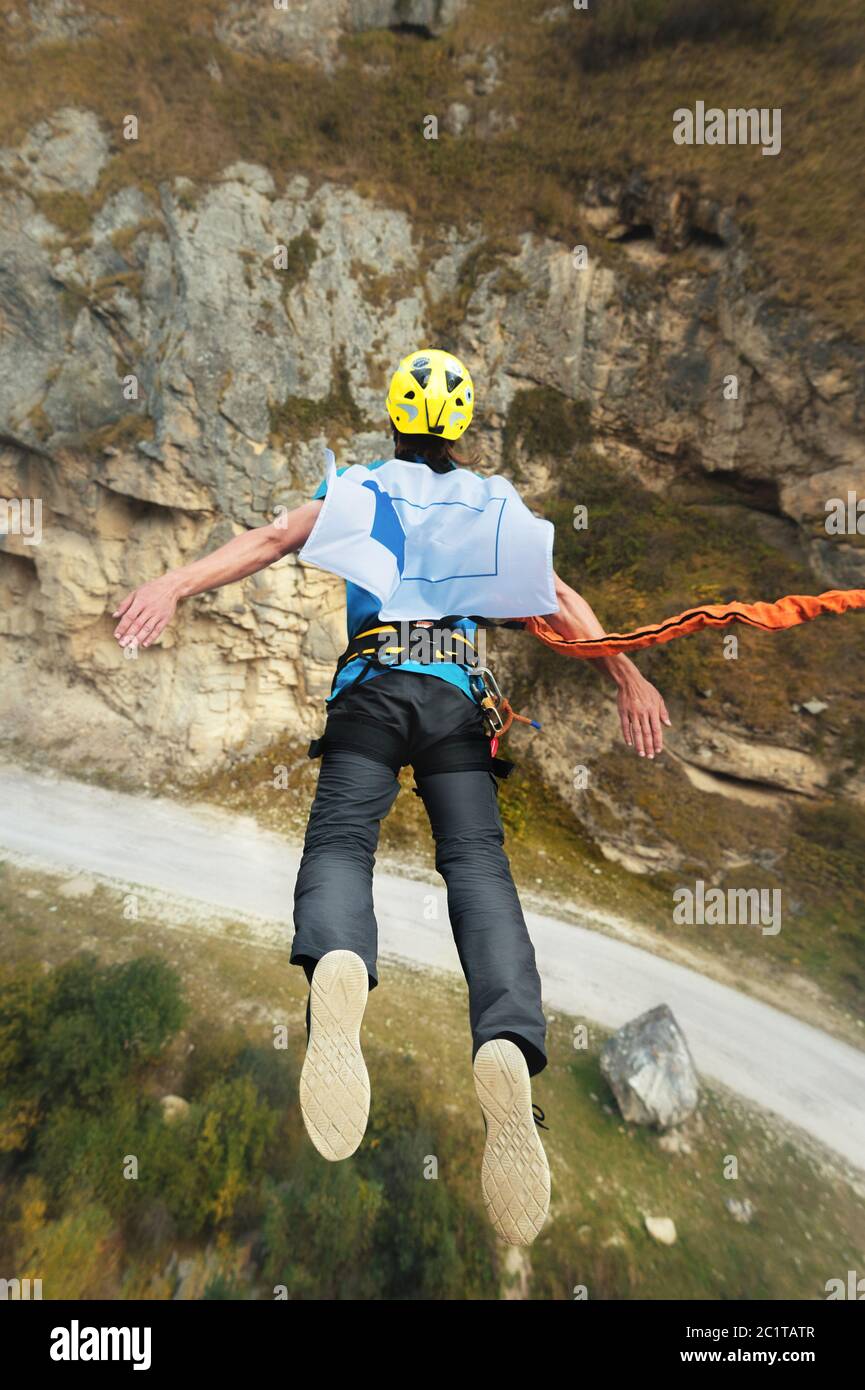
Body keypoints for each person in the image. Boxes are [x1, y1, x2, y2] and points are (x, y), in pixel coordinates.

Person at [112, 348, 670, 1247]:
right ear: (461, 428)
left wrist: (172, 585)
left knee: (341, 843)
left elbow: (268, 541)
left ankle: (337, 964)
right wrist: (626, 677)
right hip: (455, 698)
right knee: (479, 870)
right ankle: (502, 1040)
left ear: (394, 418)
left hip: (371, 686)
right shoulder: (494, 502)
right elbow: (561, 596)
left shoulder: (360, 488)